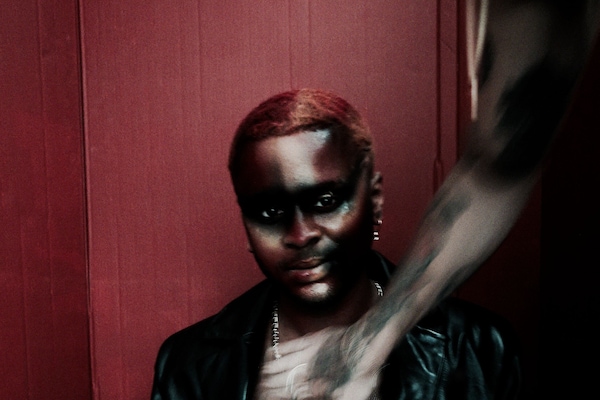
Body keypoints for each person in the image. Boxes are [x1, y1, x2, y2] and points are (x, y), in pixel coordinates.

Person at [152, 1, 600, 399]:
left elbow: (505, 157)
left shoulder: (477, 348)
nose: (300, 234)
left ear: (376, 200)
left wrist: (366, 347)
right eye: (269, 213)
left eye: (326, 200)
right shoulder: (190, 364)